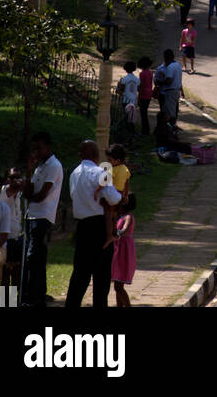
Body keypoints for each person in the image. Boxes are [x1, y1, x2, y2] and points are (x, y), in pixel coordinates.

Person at [65, 141, 121, 309]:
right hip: (99, 226)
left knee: (80, 273)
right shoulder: (99, 172)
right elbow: (113, 198)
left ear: (80, 155)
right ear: (97, 155)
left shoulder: (74, 173)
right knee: (101, 275)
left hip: (82, 226)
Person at [20, 131, 63, 307]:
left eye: (39, 148)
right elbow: (28, 192)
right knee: (34, 257)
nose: (36, 152)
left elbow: (41, 195)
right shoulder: (39, 167)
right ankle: (37, 294)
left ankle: (34, 296)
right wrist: (29, 171)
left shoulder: (54, 166)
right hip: (31, 215)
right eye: (34, 148)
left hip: (43, 216)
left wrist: (31, 195)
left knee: (34, 256)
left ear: (48, 146)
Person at [111, 194, 136, 307]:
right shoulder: (119, 216)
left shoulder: (128, 217)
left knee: (118, 286)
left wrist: (116, 233)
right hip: (118, 249)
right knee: (117, 283)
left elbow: (125, 229)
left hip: (124, 250)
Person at [1, 166, 25, 272]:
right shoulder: (2, 193)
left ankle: (16, 289)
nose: (16, 181)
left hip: (16, 239)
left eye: (18, 177)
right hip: (4, 241)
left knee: (17, 271)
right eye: (12, 177)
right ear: (7, 180)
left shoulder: (19, 195)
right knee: (5, 272)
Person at [154, 49, 183, 128]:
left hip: (170, 91)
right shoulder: (178, 65)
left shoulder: (170, 67)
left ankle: (172, 128)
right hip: (176, 90)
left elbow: (169, 80)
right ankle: (171, 127)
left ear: (165, 57)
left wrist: (160, 82)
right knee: (173, 110)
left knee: (170, 112)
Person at [117, 61, 140, 136]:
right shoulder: (137, 79)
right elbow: (138, 89)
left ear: (125, 69)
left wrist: (118, 87)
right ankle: (131, 132)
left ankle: (128, 132)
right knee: (132, 116)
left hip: (126, 100)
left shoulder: (124, 79)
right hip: (133, 100)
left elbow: (120, 90)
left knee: (126, 116)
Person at [137, 57, 154, 136]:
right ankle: (146, 130)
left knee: (143, 113)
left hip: (143, 94)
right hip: (149, 93)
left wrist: (139, 97)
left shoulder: (142, 74)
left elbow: (141, 86)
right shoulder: (150, 73)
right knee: (145, 112)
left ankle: (145, 131)